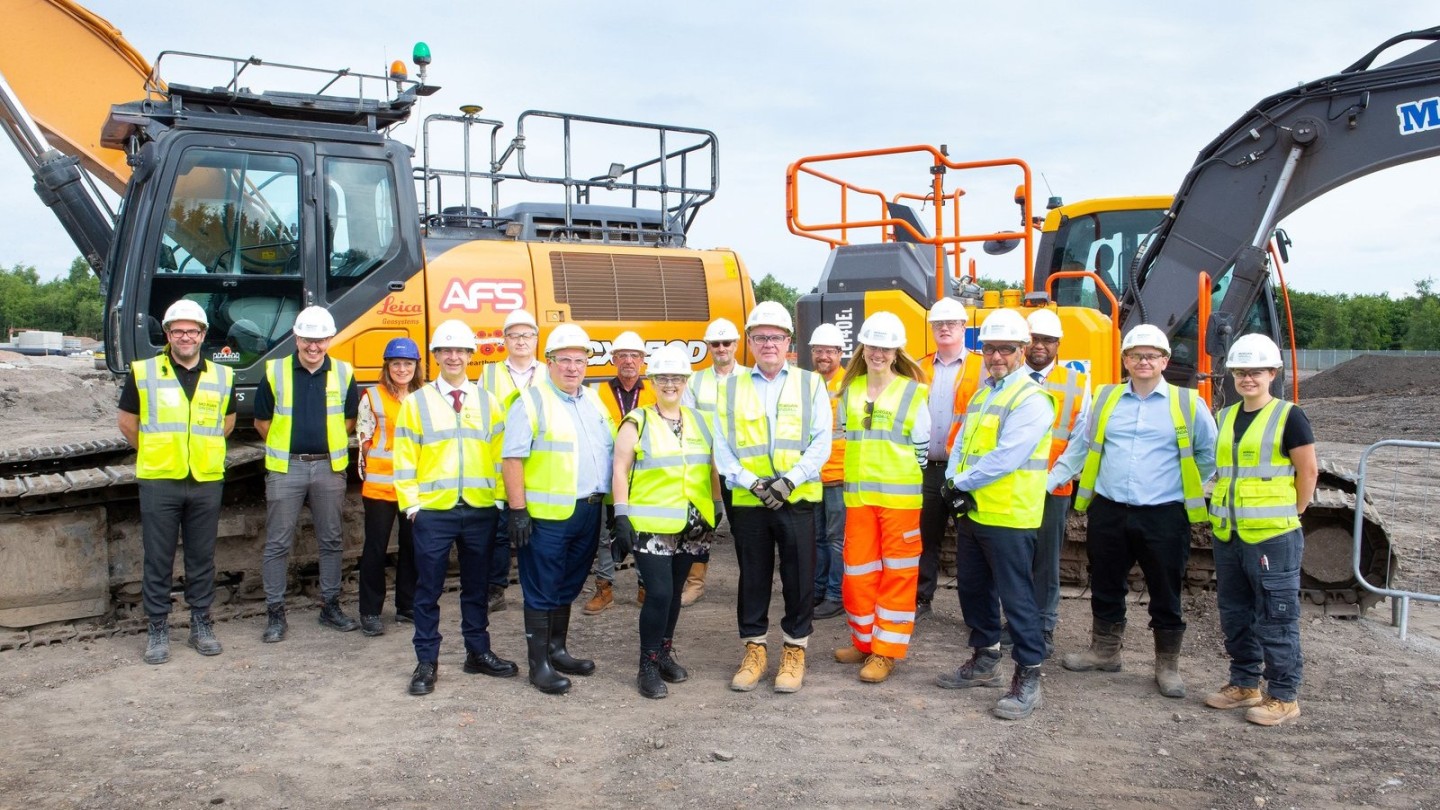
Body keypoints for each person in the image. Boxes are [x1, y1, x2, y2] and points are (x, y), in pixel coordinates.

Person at [1055, 323, 1217, 699]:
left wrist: (1178, 486)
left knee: (1165, 588)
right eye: (1135, 355)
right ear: (1125, 360)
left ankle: (1167, 666)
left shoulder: (1188, 403)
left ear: (1165, 361)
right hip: (1110, 510)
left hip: (1164, 514)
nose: (1143, 361)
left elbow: (1208, 455)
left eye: (1151, 355)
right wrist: (1049, 482)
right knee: (1106, 581)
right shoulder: (1106, 398)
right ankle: (1105, 652)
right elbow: (1081, 447)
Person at [934, 309, 1053, 720]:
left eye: (1005, 348)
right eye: (990, 348)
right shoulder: (985, 394)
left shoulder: (1033, 399)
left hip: (1010, 516)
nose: (997, 355)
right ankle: (985, 658)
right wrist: (952, 479)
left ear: (1022, 350)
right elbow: (962, 444)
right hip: (976, 514)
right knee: (973, 589)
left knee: (1017, 599)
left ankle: (1029, 676)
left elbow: (1007, 457)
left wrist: (959, 484)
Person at [393, 320, 516, 696]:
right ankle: (426, 661)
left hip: (479, 509)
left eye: (460, 350)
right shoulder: (416, 403)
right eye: (446, 351)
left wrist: (498, 500)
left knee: (477, 587)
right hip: (434, 511)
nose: (453, 356)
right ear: (435, 356)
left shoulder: (487, 402)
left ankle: (477, 652)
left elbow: (500, 456)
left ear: (469, 356)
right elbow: (404, 458)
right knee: (427, 589)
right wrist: (413, 506)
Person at [713, 301, 830, 694]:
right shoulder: (729, 387)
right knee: (753, 577)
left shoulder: (810, 383)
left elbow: (821, 442)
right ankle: (755, 649)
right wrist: (751, 482)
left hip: (795, 498)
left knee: (799, 578)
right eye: (760, 336)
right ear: (749, 341)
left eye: (775, 337)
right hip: (750, 501)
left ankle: (795, 650)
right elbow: (722, 446)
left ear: (788, 342)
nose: (768, 343)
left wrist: (789, 482)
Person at [1204, 334, 1316, 727]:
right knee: (1235, 613)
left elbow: (1308, 471)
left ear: (1272, 373)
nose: (1247, 378)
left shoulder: (1289, 416)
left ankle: (1284, 695)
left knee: (1275, 616)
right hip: (1229, 534)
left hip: (1273, 537)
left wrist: (1291, 513)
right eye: (1240, 372)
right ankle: (1244, 684)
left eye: (1255, 371)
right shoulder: (1226, 416)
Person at [117, 299, 236, 664]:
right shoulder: (144, 372)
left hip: (204, 479)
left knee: (202, 557)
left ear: (203, 335)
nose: (186, 337)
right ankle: (157, 628)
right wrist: (156, 450)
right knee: (158, 558)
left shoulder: (222, 376)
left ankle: (201, 623)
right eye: (178, 331)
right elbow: (127, 422)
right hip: (160, 479)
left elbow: (227, 422)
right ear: (168, 335)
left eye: (192, 331)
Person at [502, 323, 615, 695]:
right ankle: (539, 667)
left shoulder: (595, 400)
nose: (572, 367)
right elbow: (513, 458)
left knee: (568, 585)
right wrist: (517, 509)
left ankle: (557, 649)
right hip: (547, 517)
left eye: (579, 360)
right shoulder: (531, 400)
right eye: (564, 360)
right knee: (541, 588)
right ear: (548, 362)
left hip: (587, 510)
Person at [611, 345, 718, 698]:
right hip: (651, 523)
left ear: (686, 380)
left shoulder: (702, 420)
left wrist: (716, 504)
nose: (670, 383)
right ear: (652, 381)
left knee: (673, 596)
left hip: (693, 522)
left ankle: (663, 655)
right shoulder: (637, 421)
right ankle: (646, 666)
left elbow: (711, 467)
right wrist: (621, 513)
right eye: (663, 378)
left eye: (676, 377)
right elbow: (620, 469)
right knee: (658, 593)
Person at [831, 313, 929, 683]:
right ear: (863, 347)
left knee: (897, 577)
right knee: (857, 574)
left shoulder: (913, 391)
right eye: (872, 345)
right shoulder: (851, 389)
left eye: (885, 347)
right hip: (858, 500)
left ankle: (886, 651)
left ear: (896, 351)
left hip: (899, 503)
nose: (878, 352)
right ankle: (864, 641)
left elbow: (921, 449)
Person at [254, 305, 361, 642]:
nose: (313, 346)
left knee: (331, 539)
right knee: (278, 542)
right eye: (307, 339)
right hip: (287, 466)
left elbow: (348, 421)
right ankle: (275, 614)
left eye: (320, 340)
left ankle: (330, 606)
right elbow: (263, 422)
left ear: (330, 339)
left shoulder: (344, 373)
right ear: (296, 338)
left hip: (329, 466)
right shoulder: (275, 371)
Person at [1021, 308, 1090, 658]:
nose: (1039, 347)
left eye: (1047, 340)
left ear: (1058, 345)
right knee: (1014, 559)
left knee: (1046, 563)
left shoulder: (1077, 383)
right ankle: (1017, 622)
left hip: (1053, 489)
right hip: (1012, 489)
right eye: (1034, 339)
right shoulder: (1007, 379)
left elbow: (1080, 441)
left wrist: (1049, 481)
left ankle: (1044, 627)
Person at [478, 309, 547, 614]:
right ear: (504, 340)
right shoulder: (489, 373)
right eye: (514, 335)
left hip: (540, 467)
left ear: (536, 339)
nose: (521, 340)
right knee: (499, 534)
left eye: (527, 335)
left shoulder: (548, 372)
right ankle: (495, 588)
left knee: (538, 533)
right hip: (499, 467)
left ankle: (539, 587)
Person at [917, 297, 982, 618]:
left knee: (972, 543)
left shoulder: (982, 367)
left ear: (963, 328)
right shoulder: (918, 368)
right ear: (931, 329)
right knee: (924, 539)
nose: (944, 328)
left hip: (966, 471)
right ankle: (921, 599)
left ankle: (975, 609)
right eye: (938, 324)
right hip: (927, 469)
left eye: (951, 324)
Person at [356, 337, 424, 635]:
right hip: (380, 488)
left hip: (414, 487)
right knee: (375, 548)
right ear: (387, 366)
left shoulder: (425, 396)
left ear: (416, 367)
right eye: (396, 363)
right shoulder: (372, 396)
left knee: (412, 547)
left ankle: (406, 606)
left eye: (407, 363)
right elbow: (364, 441)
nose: (401, 368)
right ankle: (370, 611)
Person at [585, 329, 654, 614]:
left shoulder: (654, 391)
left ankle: (644, 584)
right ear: (613, 359)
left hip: (642, 476)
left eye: (634, 355)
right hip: (605, 474)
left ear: (643, 360)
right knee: (602, 534)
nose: (628, 360)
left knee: (642, 530)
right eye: (623, 355)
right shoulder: (596, 393)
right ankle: (605, 587)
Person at [680, 317, 745, 606]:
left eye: (726, 343)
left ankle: (751, 583)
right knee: (701, 524)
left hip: (742, 465)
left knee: (745, 527)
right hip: (705, 465)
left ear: (736, 345)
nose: (721, 348)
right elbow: (688, 421)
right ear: (708, 346)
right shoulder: (695, 381)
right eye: (715, 343)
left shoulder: (750, 379)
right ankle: (695, 584)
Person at [809, 322, 848, 620]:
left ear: (840, 353)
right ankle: (818, 590)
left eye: (829, 351)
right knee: (819, 538)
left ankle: (835, 594)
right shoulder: (808, 384)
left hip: (839, 475)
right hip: (812, 476)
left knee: (836, 540)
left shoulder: (850, 385)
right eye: (818, 350)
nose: (823, 356)